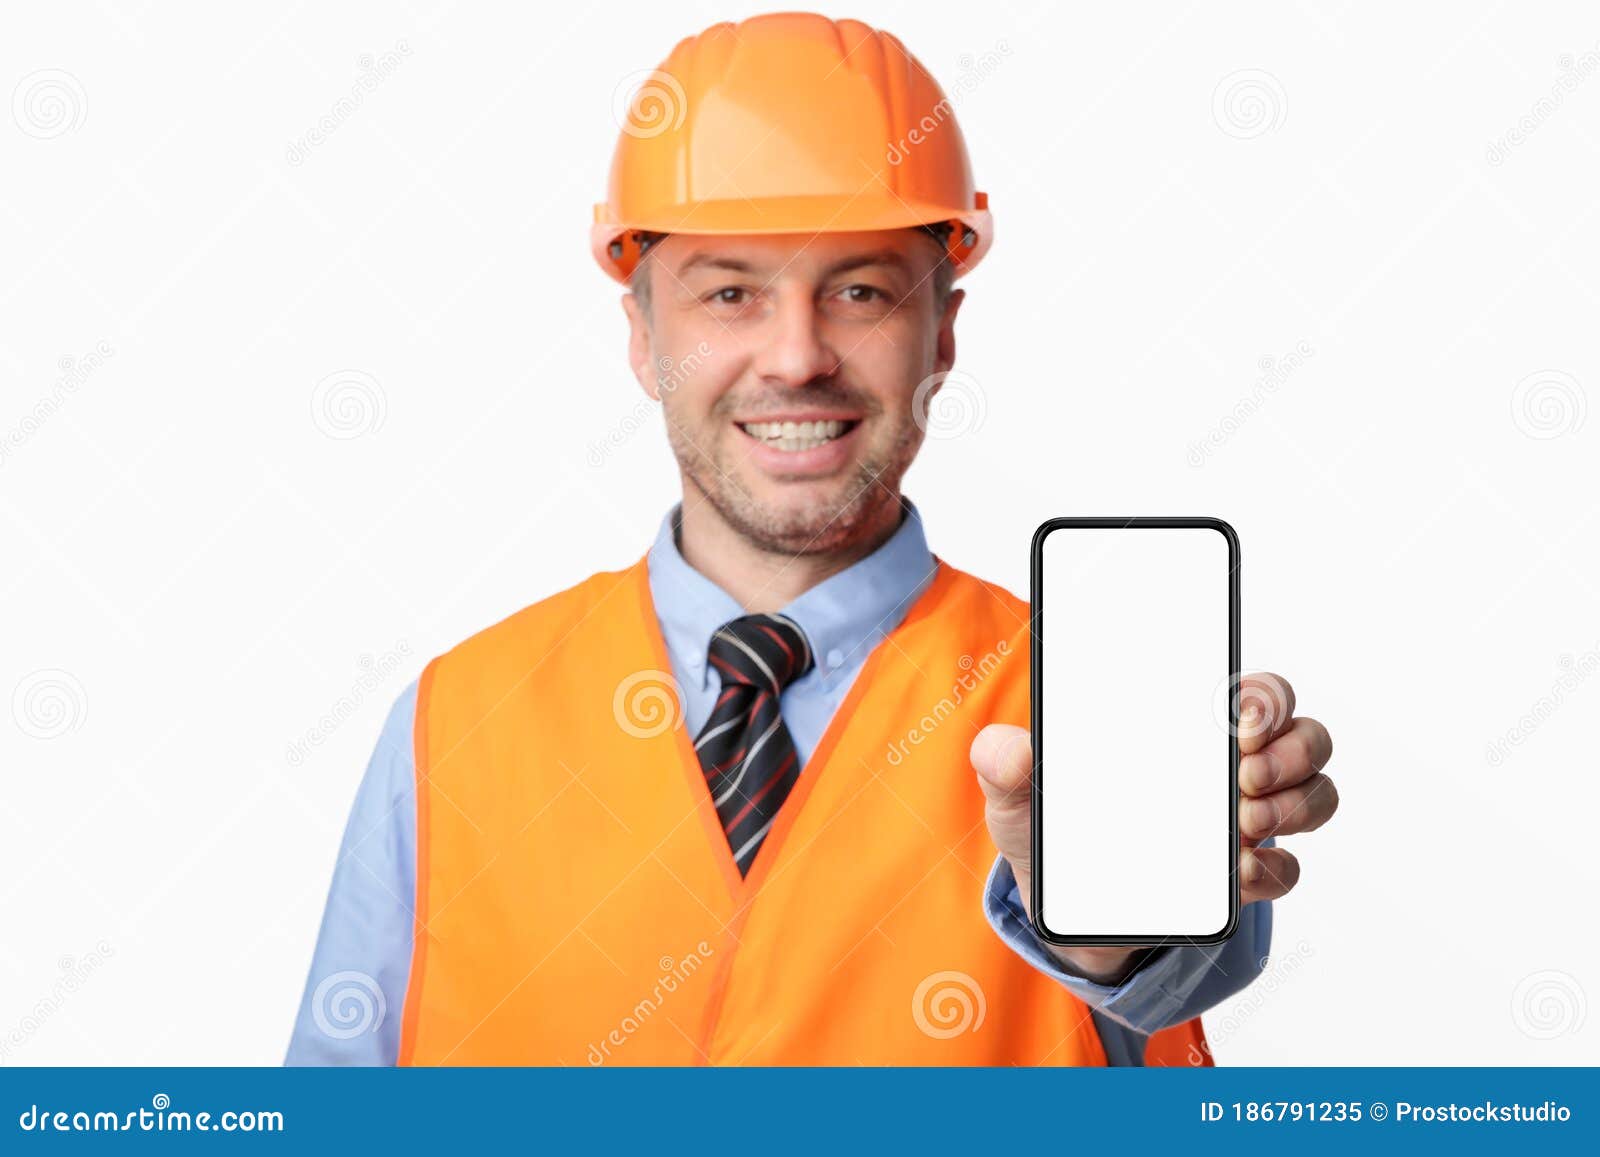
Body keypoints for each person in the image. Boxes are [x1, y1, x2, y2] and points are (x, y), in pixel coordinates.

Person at [287, 11, 1337, 1067]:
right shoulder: (454, 722)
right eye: (731, 292)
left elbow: (1175, 979)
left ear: (943, 332)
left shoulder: (1086, 698)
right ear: (644, 337)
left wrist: (1113, 944)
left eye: (860, 290)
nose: (796, 356)